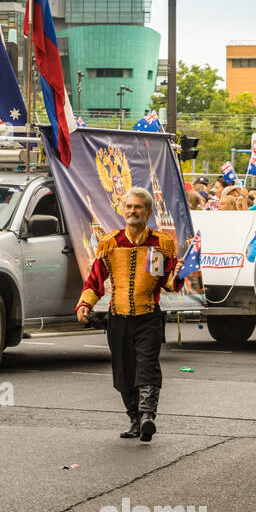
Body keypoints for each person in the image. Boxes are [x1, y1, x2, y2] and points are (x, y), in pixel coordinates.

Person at [75, 187, 181, 443]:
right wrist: (85, 304)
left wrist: (179, 272)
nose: (133, 211)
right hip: (118, 318)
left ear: (149, 212)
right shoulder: (110, 242)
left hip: (149, 316)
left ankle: (147, 416)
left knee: (147, 365)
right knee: (124, 370)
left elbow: (168, 283)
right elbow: (95, 279)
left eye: (138, 207)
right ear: (123, 211)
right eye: (129, 207)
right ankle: (134, 419)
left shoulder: (161, 243)